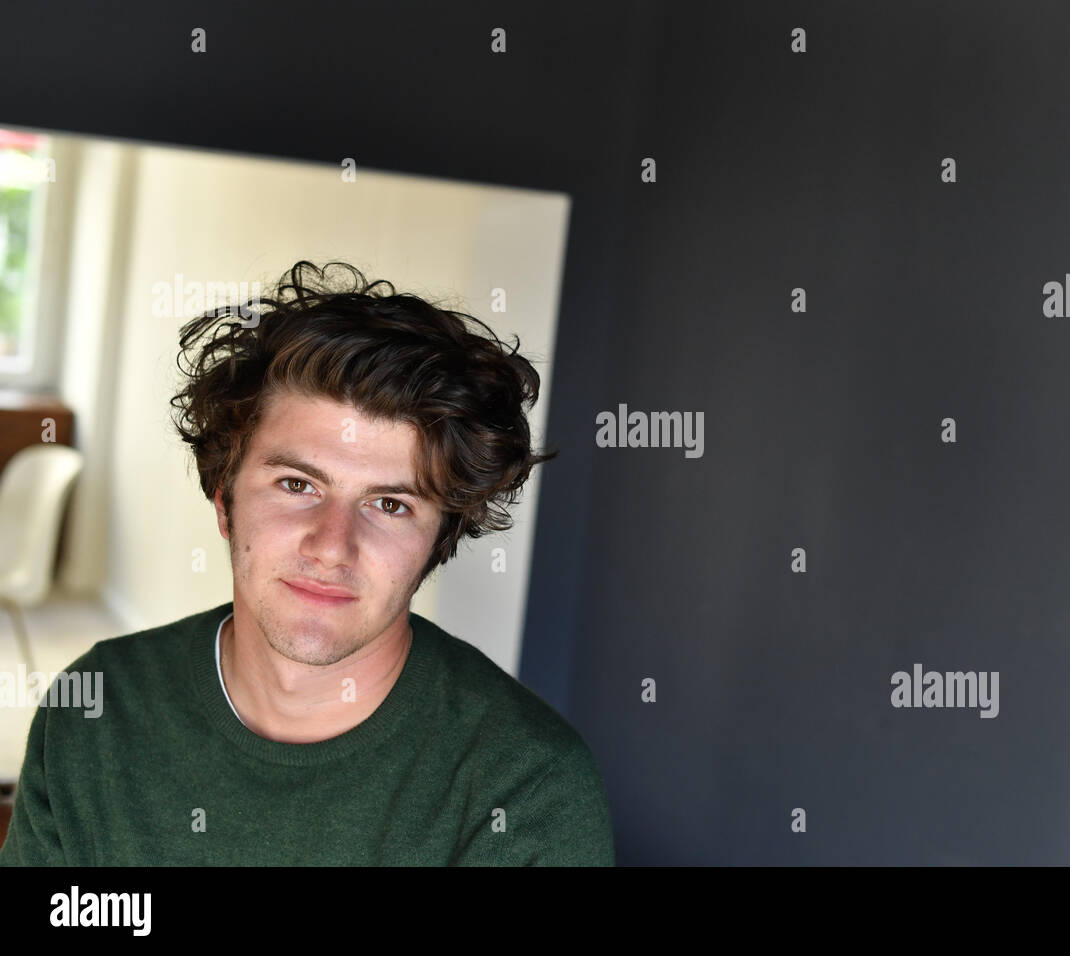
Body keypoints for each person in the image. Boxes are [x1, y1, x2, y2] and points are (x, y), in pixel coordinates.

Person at [0, 261, 614, 865]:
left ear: (439, 540)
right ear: (225, 502)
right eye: (298, 485)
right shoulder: (98, 707)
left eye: (390, 503)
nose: (331, 545)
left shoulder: (528, 786)